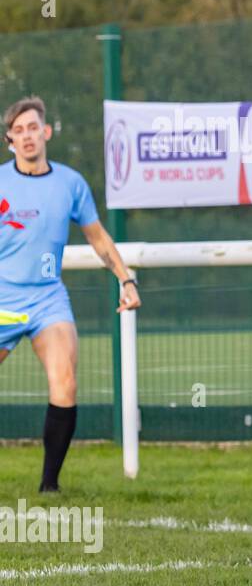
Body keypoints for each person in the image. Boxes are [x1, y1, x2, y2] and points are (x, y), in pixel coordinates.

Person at [0, 96, 141, 492]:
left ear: (45, 133)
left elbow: (97, 238)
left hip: (47, 300)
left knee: (65, 384)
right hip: (2, 298)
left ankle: (49, 485)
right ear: (9, 140)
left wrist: (125, 279)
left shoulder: (70, 183)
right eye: (18, 131)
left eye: (33, 128)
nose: (27, 136)